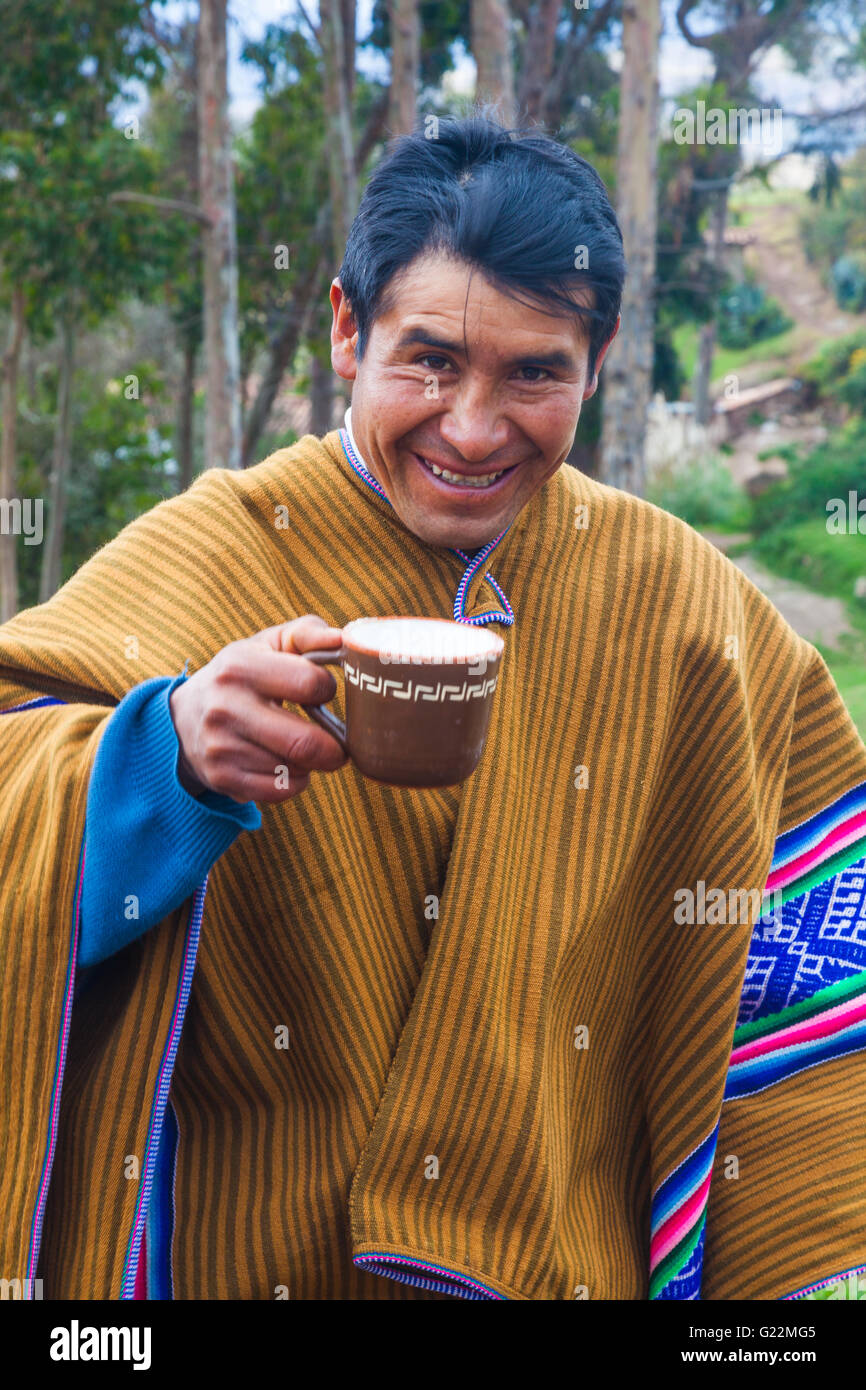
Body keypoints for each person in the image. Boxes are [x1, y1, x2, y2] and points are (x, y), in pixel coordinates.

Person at [2, 114, 865, 1303]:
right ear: (350, 331)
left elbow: (809, 976)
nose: (470, 429)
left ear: (598, 358)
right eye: (429, 361)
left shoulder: (684, 615)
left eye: (533, 373)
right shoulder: (210, 557)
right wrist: (162, 765)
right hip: (240, 1260)